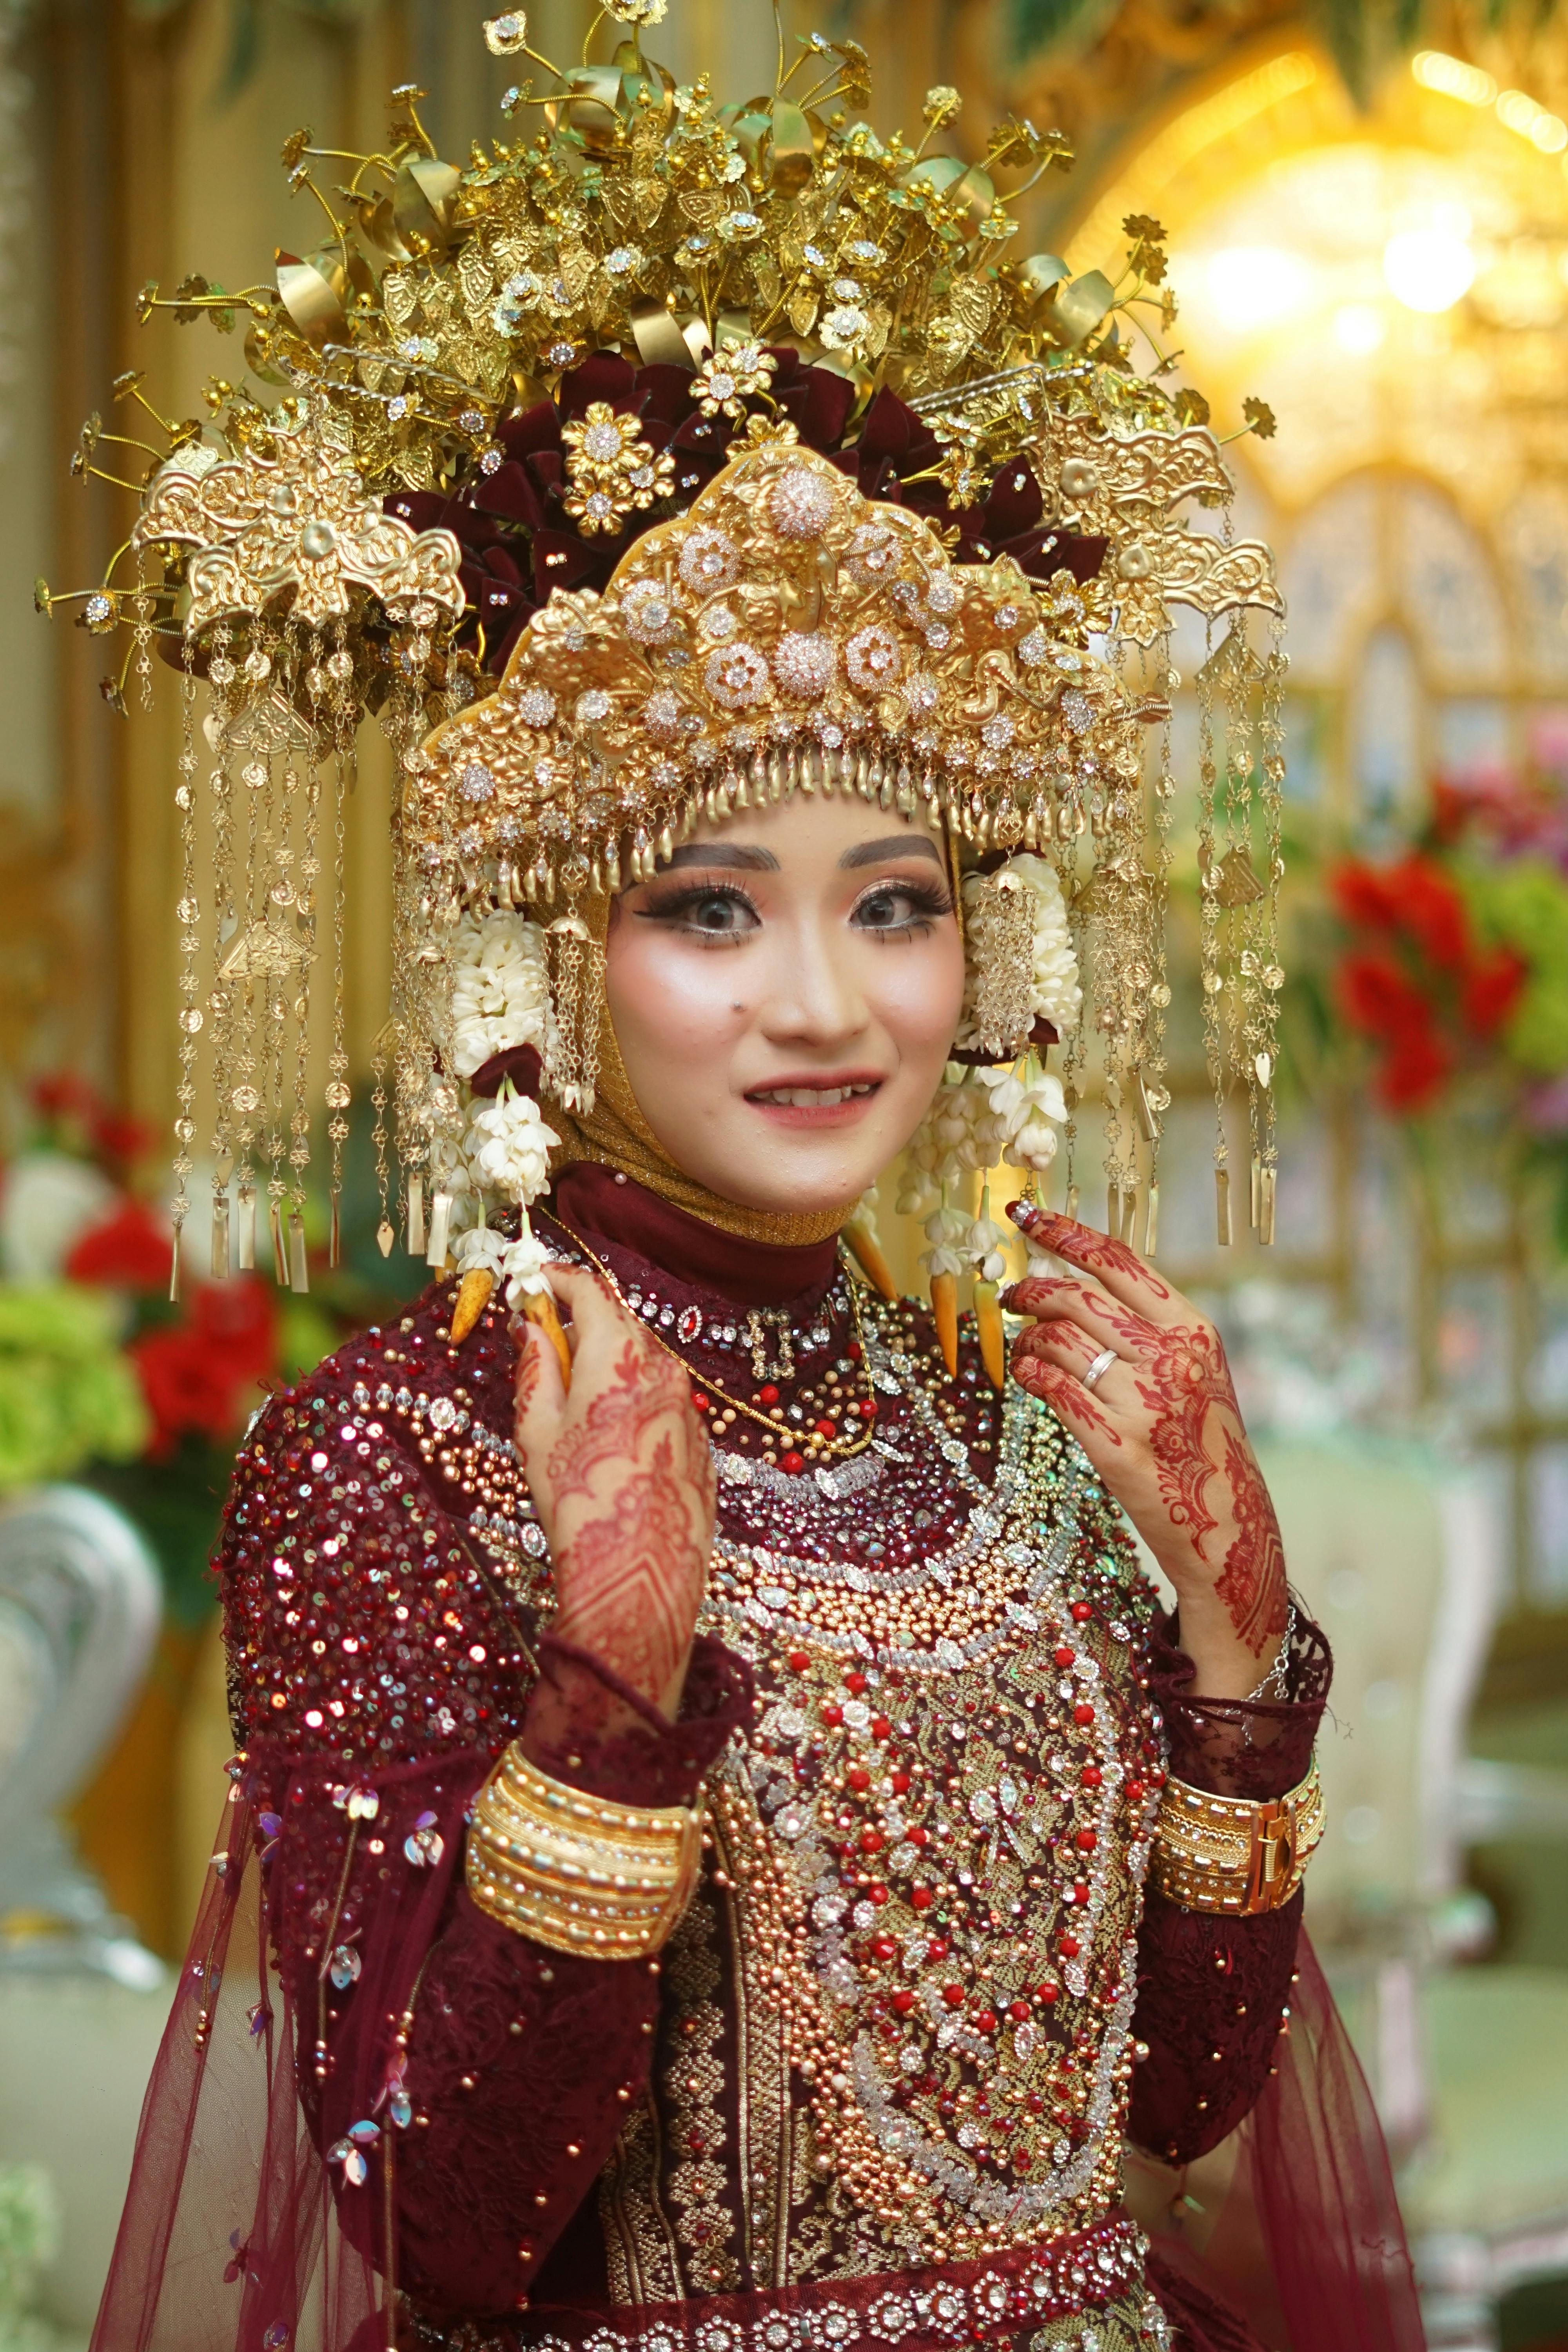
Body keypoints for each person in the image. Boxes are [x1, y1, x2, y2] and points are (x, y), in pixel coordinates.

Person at [93, 457, 1418, 2348]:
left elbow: (1172, 2109)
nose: (828, 1007)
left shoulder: (996, 1423)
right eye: (714, 912)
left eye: (894, 907)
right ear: (545, 952)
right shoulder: (413, 1450)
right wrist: (613, 1687)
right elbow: (441, 2216)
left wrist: (1235, 1633)